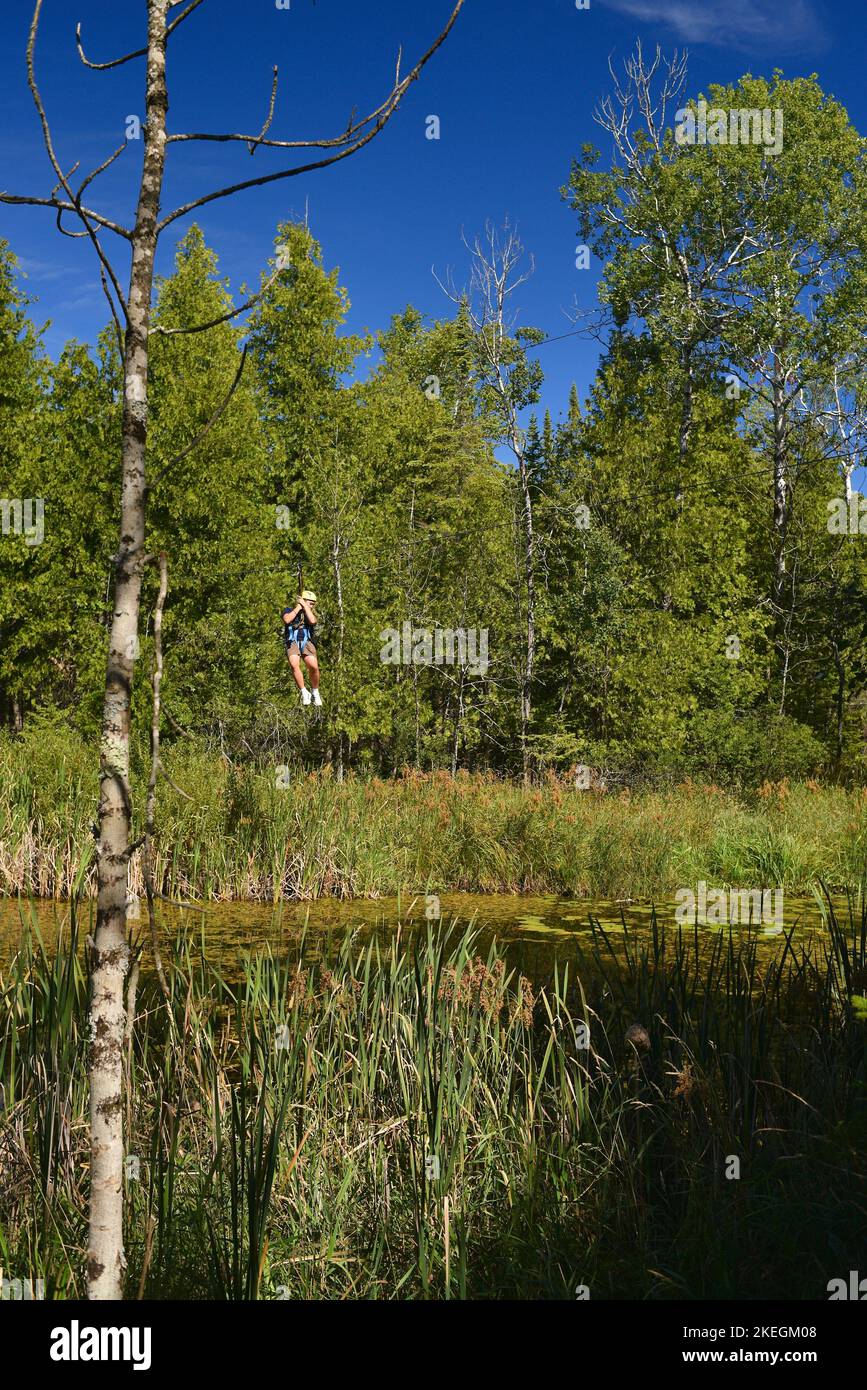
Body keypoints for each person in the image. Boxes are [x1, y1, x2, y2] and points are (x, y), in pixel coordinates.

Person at [282, 590, 322, 706]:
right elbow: (287, 619)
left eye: (313, 604)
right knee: (294, 664)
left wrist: (305, 606)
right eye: (310, 603)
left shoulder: (310, 613)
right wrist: (299, 607)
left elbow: (313, 621)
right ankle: (304, 692)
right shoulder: (289, 610)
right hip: (292, 639)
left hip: (306, 640)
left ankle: (315, 691)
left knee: (313, 665)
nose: (312, 605)